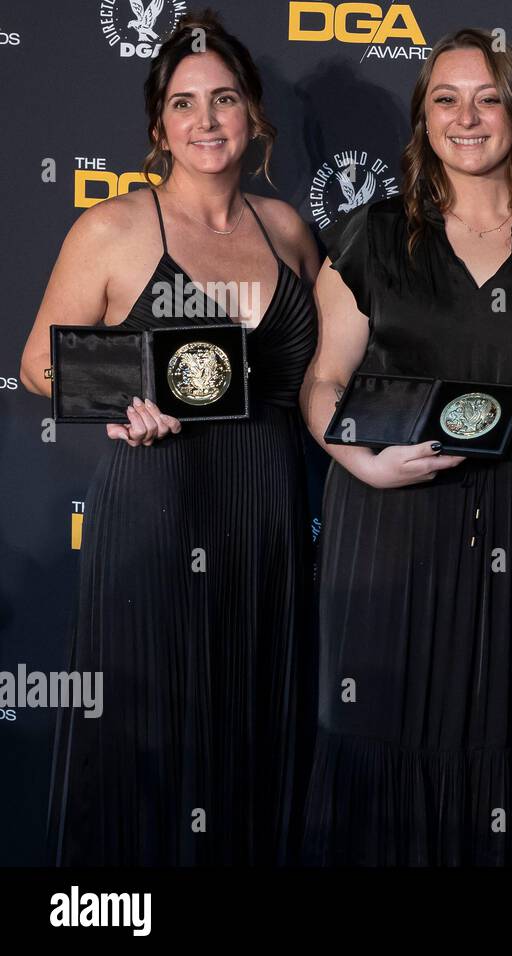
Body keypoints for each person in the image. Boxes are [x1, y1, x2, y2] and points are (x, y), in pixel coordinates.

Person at [298, 28, 512, 866]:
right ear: (423, 117)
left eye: (487, 98)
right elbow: (323, 383)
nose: (466, 117)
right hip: (384, 526)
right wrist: (358, 458)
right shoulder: (369, 236)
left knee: (505, 742)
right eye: (446, 98)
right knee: (381, 734)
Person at [20, 12, 321, 864]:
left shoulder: (290, 232)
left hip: (264, 511)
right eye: (184, 104)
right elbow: (40, 362)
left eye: (224, 98)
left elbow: (322, 383)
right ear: (159, 127)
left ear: (253, 111)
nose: (206, 120)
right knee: (147, 730)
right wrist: (121, 402)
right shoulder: (113, 228)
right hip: (157, 506)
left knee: (250, 724)